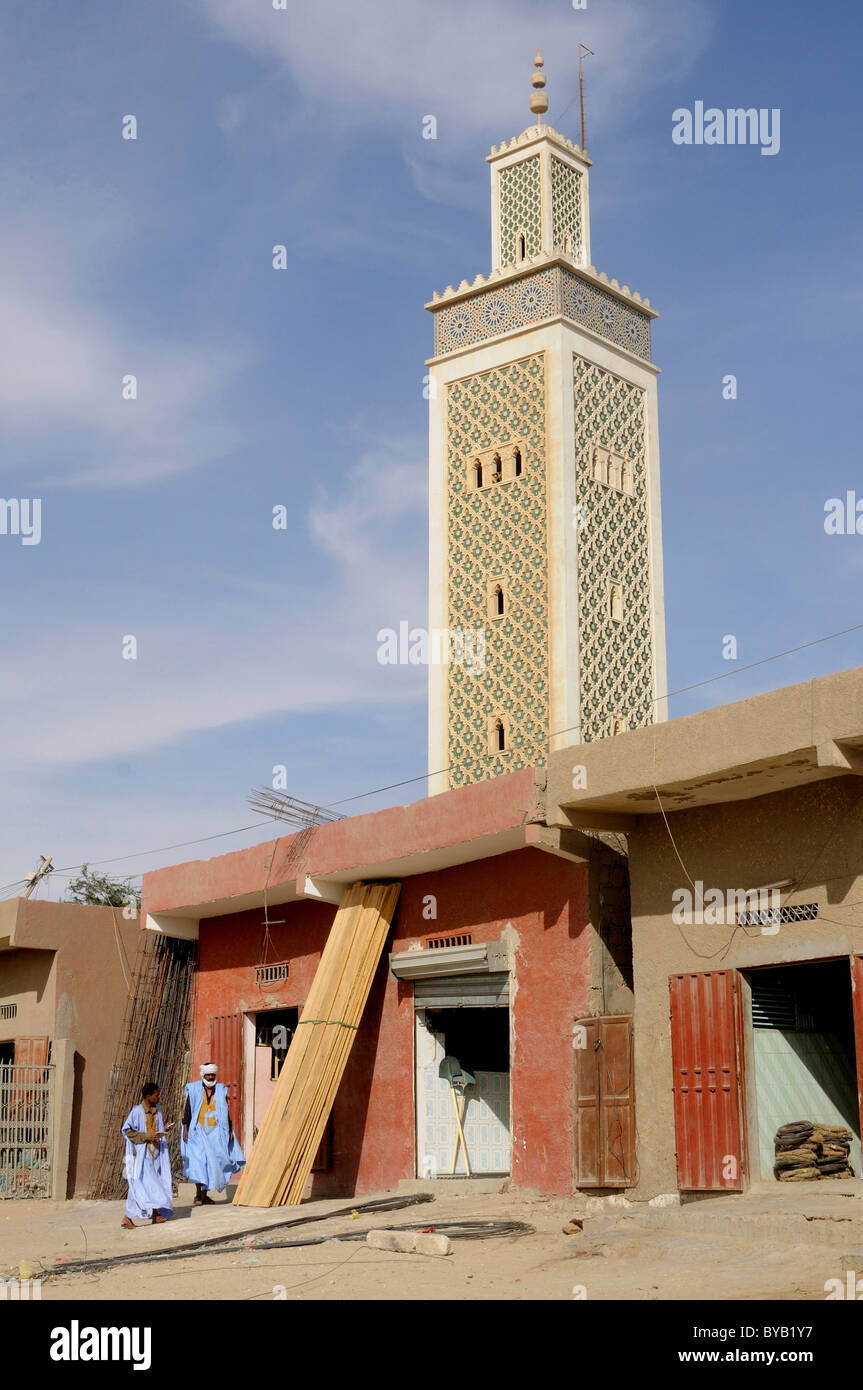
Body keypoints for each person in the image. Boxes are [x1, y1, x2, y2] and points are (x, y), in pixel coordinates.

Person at [181, 1062, 245, 1204]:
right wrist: (185, 1128)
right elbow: (188, 1110)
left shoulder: (221, 1090)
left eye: (212, 1075)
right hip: (197, 1131)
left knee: (214, 1162)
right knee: (199, 1163)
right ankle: (198, 1195)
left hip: (215, 1132)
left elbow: (225, 1111)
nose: (210, 1077)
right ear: (203, 1075)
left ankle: (204, 1196)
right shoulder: (194, 1089)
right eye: (208, 1075)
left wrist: (229, 1129)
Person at [120, 1081, 174, 1229]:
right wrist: (146, 1136)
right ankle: (128, 1217)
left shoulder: (159, 1110)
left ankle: (155, 1213)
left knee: (155, 1183)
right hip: (142, 1154)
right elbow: (127, 1131)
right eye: (156, 1095)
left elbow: (158, 1128)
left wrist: (166, 1128)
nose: (159, 1097)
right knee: (140, 1185)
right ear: (148, 1096)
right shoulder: (137, 1112)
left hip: (156, 1153)